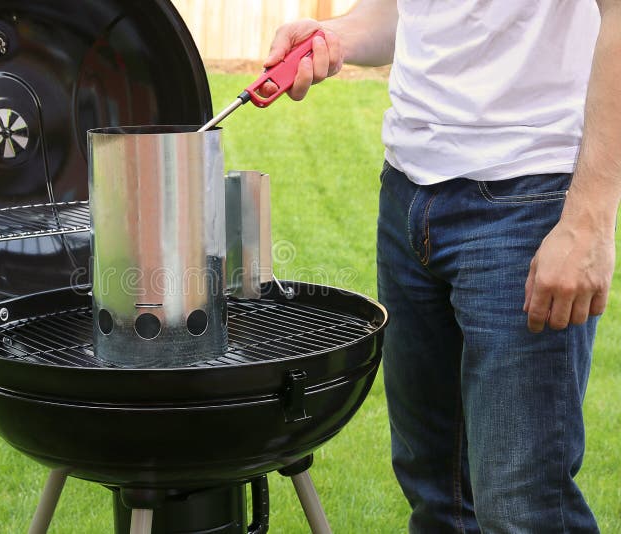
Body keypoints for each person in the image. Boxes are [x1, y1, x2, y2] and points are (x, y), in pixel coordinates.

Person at [261, 1, 620, 532]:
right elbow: (408, 12)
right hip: (409, 192)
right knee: (438, 495)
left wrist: (589, 220)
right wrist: (333, 35)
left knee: (523, 508)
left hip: (526, 197)